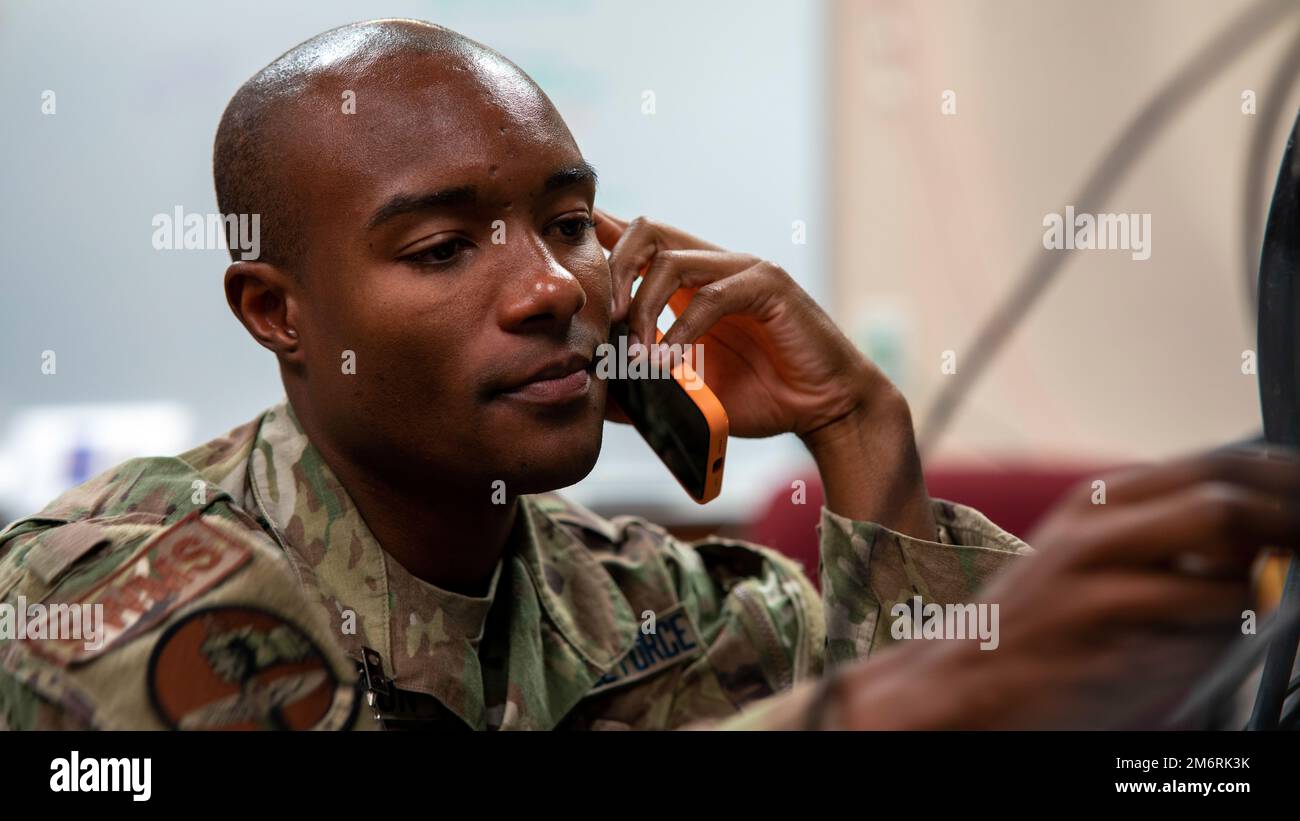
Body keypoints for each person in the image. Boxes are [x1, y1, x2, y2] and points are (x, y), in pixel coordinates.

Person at [0, 19, 1295, 731]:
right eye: (446, 246)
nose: (554, 288)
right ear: (277, 311)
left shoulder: (665, 603)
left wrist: (860, 432)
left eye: (570, 224)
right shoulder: (117, 601)